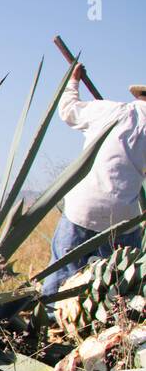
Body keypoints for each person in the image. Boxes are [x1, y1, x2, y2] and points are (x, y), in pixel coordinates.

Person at [41, 64, 146, 298]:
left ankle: (50, 320)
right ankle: (116, 323)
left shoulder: (109, 110)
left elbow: (68, 110)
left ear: (138, 96)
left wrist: (72, 82)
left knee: (61, 276)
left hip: (82, 208)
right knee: (124, 281)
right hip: (124, 217)